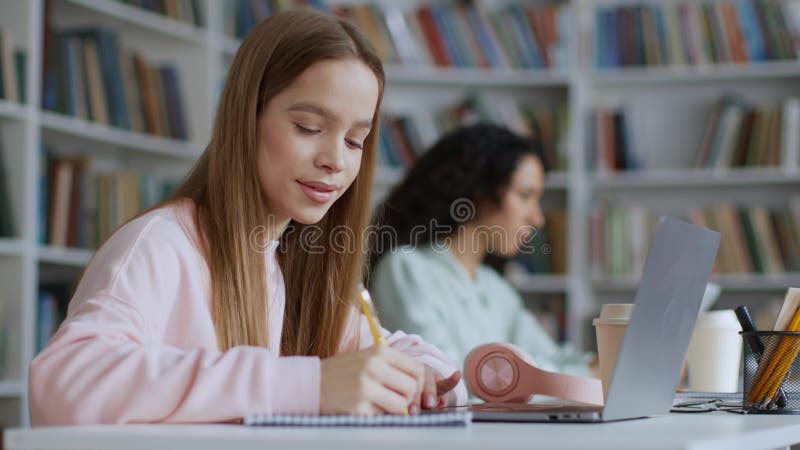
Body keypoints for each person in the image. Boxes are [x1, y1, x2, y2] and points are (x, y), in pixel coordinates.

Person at [29, 9, 465, 425]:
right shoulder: (161, 244)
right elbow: (64, 383)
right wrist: (307, 385)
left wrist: (427, 377)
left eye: (355, 141)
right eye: (309, 128)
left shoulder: (293, 259)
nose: (335, 160)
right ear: (246, 118)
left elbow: (392, 353)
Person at [370, 123, 593, 379]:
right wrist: (572, 376)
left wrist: (600, 362)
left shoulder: (493, 286)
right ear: (480, 191)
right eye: (525, 195)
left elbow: (552, 355)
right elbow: (450, 379)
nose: (537, 218)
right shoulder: (407, 268)